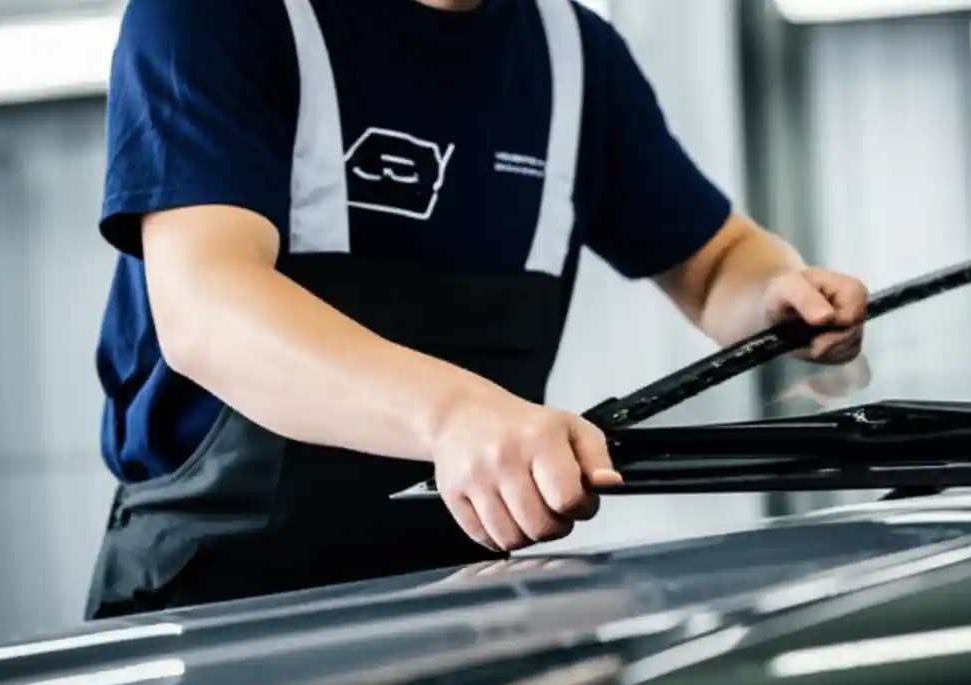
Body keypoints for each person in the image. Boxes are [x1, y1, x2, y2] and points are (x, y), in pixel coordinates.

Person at [85, 0, 868, 620]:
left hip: (457, 604)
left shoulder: (574, 57)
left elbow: (714, 264)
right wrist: (455, 417)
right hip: (222, 609)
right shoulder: (217, 16)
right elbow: (206, 309)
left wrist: (775, 291)